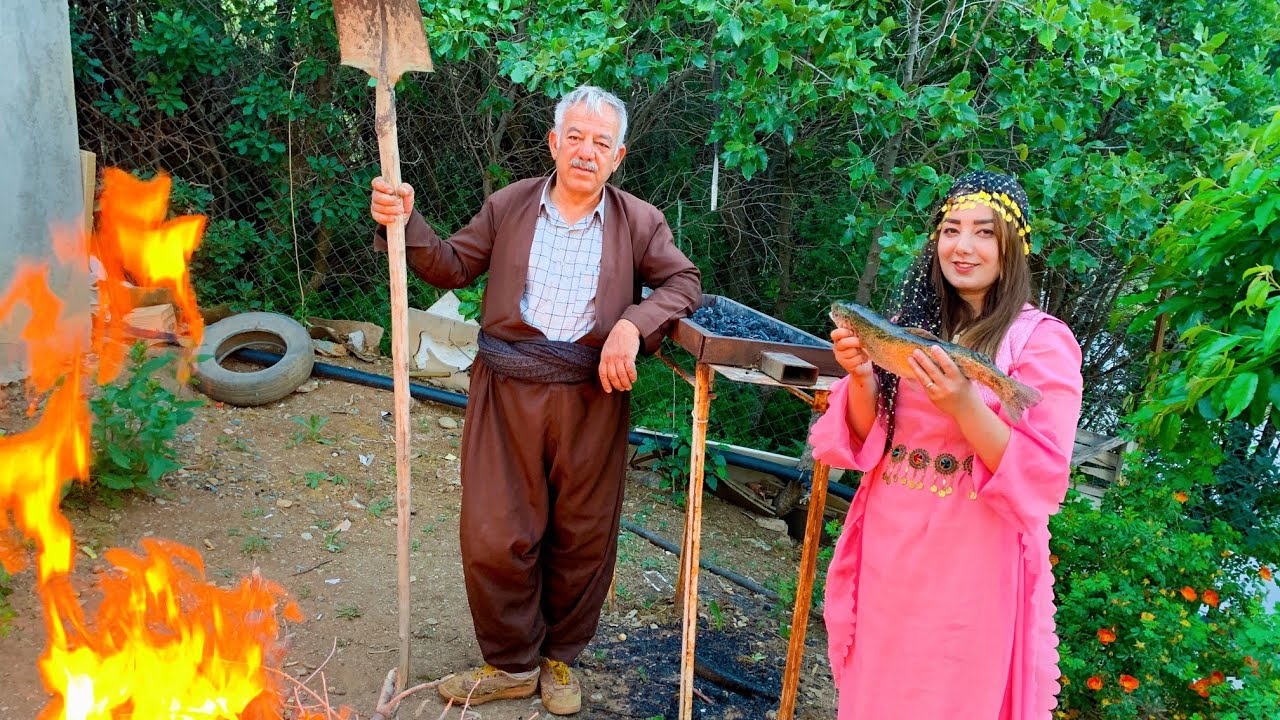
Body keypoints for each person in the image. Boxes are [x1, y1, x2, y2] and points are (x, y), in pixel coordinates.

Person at [368, 85, 701, 716]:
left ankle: (558, 658)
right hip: (506, 388)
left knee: (582, 534)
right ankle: (511, 663)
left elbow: (683, 281)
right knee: (494, 532)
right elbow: (448, 265)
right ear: (553, 143)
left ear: (618, 156)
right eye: (574, 136)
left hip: (592, 395)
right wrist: (405, 219)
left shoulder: (640, 221)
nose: (585, 151)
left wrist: (631, 325)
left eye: (600, 142)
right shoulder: (510, 205)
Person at [810, 171, 1083, 719]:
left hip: (973, 554)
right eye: (951, 229)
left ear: (1014, 247)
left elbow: (1040, 472)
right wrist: (861, 375)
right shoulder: (906, 326)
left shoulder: (1042, 342)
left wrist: (965, 405)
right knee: (877, 691)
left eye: (983, 232)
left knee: (950, 695)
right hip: (890, 540)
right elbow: (864, 438)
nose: (963, 246)